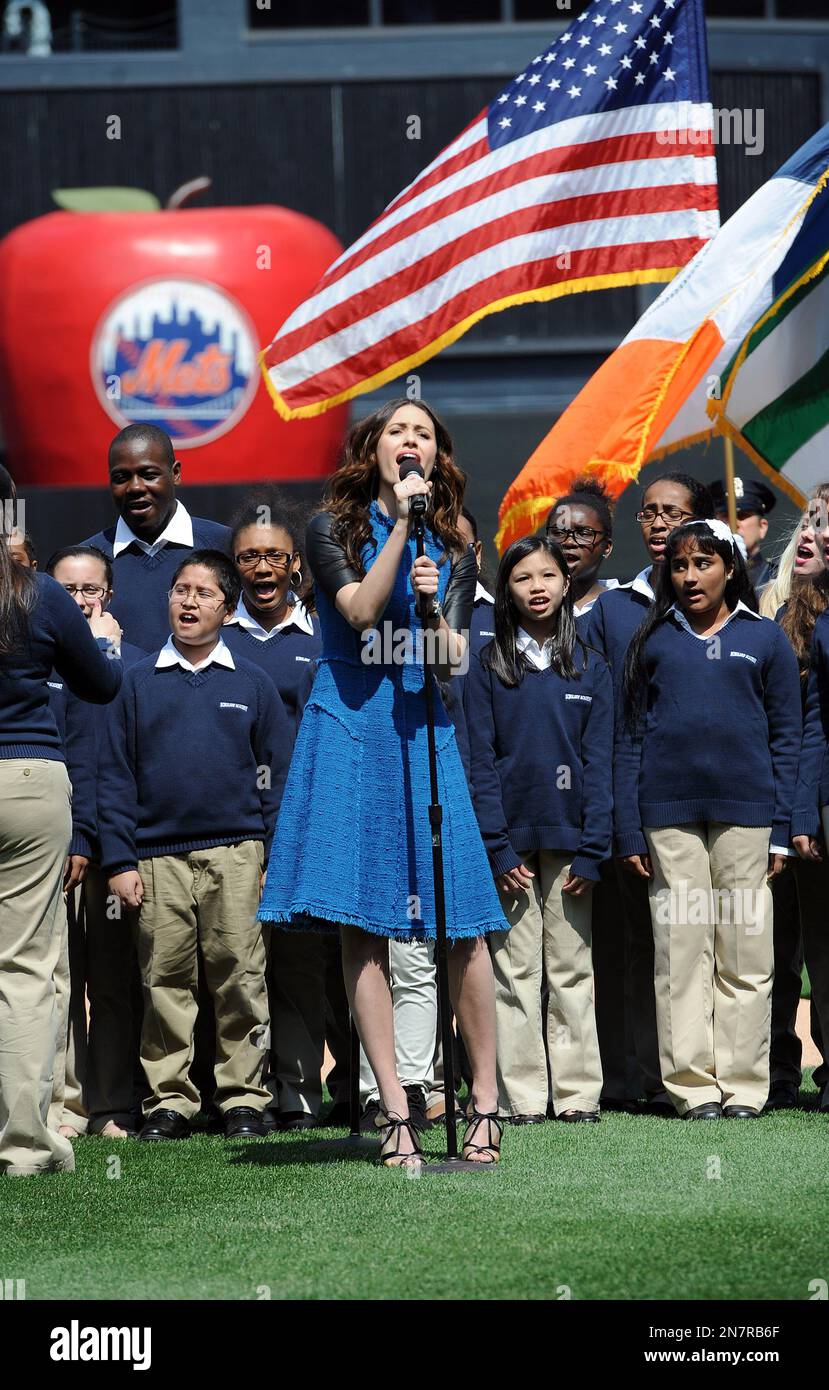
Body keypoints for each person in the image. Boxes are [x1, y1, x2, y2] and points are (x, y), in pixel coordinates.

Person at [258, 398, 507, 1167]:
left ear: (437, 455)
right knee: (362, 925)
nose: (409, 441)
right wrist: (401, 526)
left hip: (421, 726)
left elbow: (449, 659)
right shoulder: (330, 528)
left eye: (423, 433)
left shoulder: (458, 541)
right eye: (397, 430)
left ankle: (485, 1105)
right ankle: (394, 1107)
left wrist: (433, 599)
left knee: (460, 923)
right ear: (373, 449)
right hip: (349, 726)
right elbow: (363, 613)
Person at [98, 550, 292, 1141]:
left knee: (240, 976)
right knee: (164, 978)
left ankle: (243, 1097)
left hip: (238, 852)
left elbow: (277, 775)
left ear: (226, 609)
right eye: (181, 590)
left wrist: (273, 860)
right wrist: (120, 859)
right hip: (155, 858)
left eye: (204, 593)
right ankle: (170, 1101)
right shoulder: (134, 683)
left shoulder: (252, 684)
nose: (188, 601)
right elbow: (114, 775)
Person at [618, 520, 802, 1120]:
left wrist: (780, 828)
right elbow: (630, 739)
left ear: (730, 566)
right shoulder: (654, 641)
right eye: (680, 566)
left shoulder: (766, 639)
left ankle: (744, 1087)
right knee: (680, 950)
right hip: (667, 821)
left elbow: (788, 738)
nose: (690, 576)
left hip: (748, 820)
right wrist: (630, 826)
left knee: (746, 952)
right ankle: (693, 1089)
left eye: (704, 563)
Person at [0, 467, 123, 1176]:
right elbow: (101, 685)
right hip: (27, 781)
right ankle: (23, 1146)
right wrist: (100, 639)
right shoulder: (38, 593)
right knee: (22, 968)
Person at [465, 535, 612, 1124]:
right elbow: (479, 762)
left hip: (575, 846)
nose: (538, 588)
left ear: (566, 583)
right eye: (523, 578)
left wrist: (594, 848)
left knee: (572, 969)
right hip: (511, 848)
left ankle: (577, 1096)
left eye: (548, 575)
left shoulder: (592, 667)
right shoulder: (488, 668)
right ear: (507, 590)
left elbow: (602, 763)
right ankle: (523, 1098)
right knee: (514, 971)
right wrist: (497, 850)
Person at [585, 471, 715, 1114]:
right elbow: (607, 721)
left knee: (713, 936)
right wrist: (618, 816)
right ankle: (638, 1075)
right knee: (640, 942)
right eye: (648, 514)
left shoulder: (733, 611)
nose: (659, 523)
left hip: (717, 806)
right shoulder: (613, 609)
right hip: (635, 801)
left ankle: (718, 1074)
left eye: (674, 513)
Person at [224, 487, 325, 1131]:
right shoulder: (216, 638)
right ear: (234, 565)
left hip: (310, 820)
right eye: (249, 557)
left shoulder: (319, 638)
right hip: (233, 826)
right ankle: (239, 1094)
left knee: (304, 965)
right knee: (236, 965)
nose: (262, 567)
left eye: (275, 556)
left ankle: (303, 1092)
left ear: (295, 565)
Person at [44, 545, 147, 1139]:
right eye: (68, 590)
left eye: (92, 590)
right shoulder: (33, 663)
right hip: (51, 845)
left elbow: (115, 764)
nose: (81, 600)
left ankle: (109, 1104)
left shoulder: (130, 665)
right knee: (54, 980)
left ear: (109, 596)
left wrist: (102, 841)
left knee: (110, 982)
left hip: (110, 848)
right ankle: (58, 1105)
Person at [81, 423, 231, 652]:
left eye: (149, 475)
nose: (135, 487)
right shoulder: (85, 561)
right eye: (121, 478)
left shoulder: (225, 546)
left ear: (176, 473)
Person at [545, 478, 617, 624]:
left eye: (583, 533)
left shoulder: (628, 606)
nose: (568, 542)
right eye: (558, 533)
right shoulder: (527, 604)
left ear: (607, 547)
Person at [709, 476, 778, 591]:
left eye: (743, 515)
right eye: (726, 515)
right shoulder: (703, 576)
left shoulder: (779, 577)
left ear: (762, 527)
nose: (735, 523)